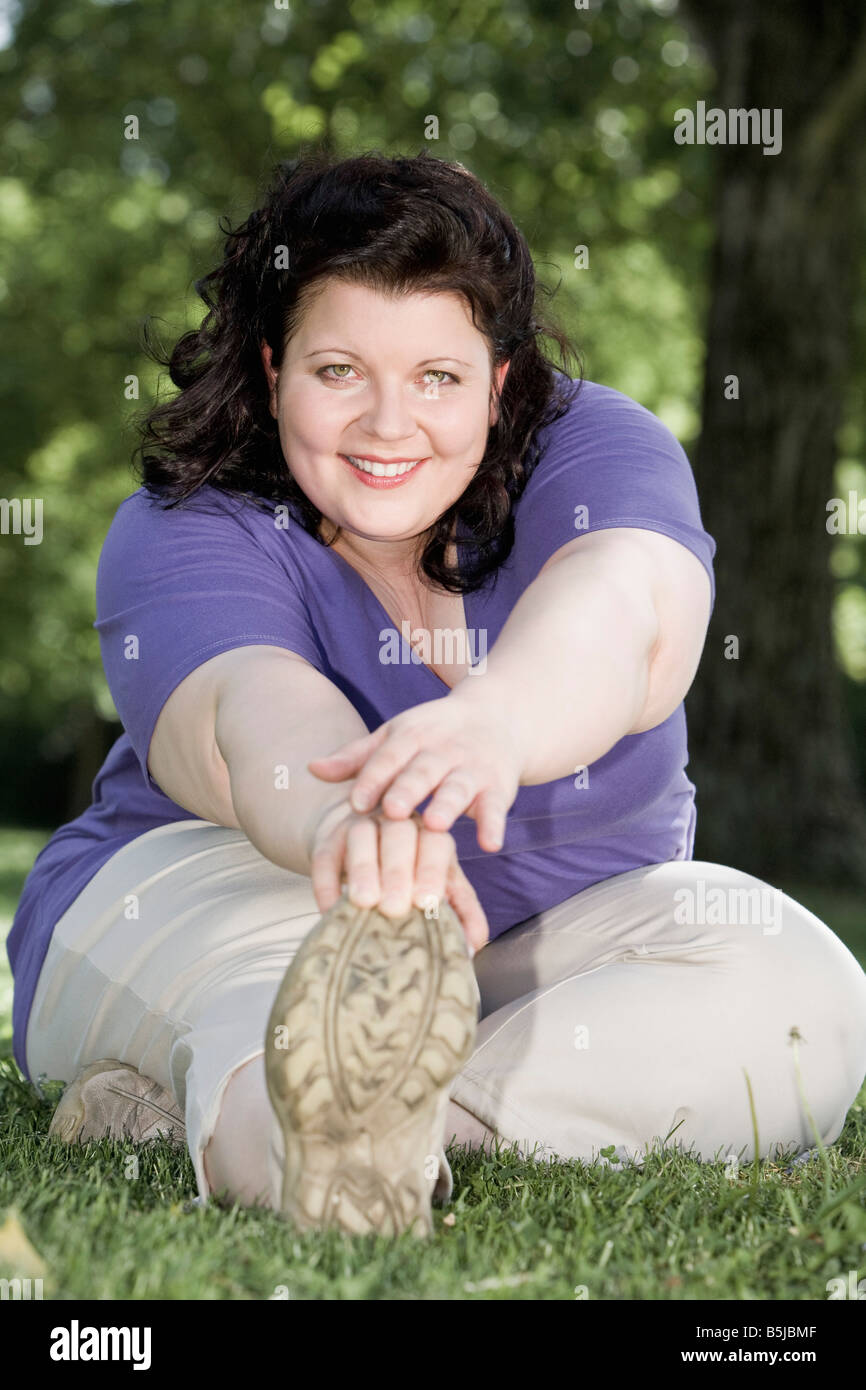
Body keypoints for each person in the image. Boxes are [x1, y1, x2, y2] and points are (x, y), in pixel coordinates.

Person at [8, 148, 866, 1239]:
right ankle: (301, 1120)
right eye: (337, 371)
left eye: (435, 376)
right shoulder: (188, 522)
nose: (385, 425)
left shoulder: (594, 447)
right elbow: (240, 721)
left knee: (797, 987)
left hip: (533, 945)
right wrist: (347, 817)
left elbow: (627, 613)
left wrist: (492, 724)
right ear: (272, 368)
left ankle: (398, 1124)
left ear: (498, 381)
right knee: (281, 981)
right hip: (215, 898)